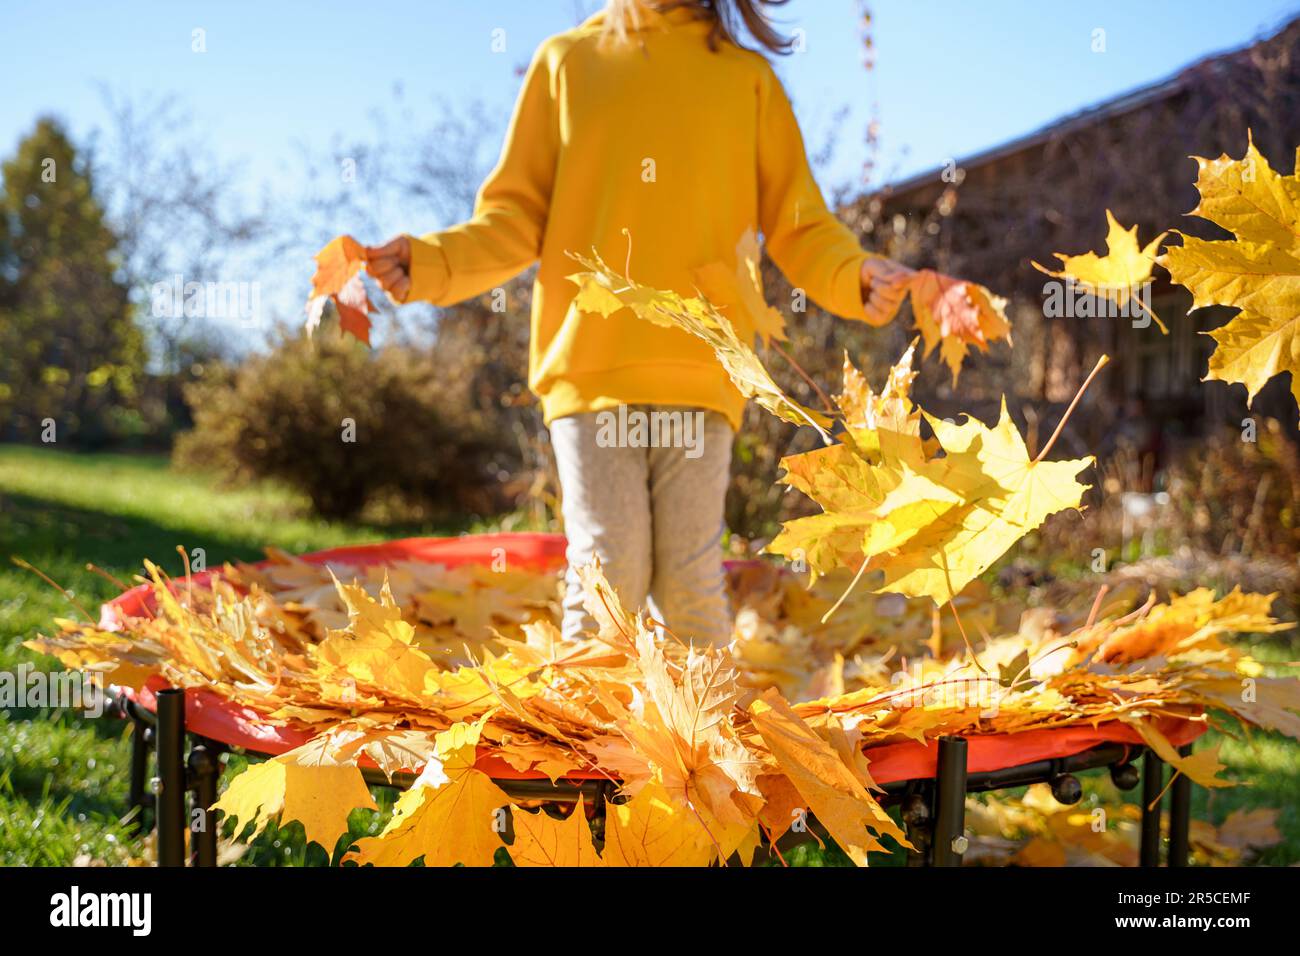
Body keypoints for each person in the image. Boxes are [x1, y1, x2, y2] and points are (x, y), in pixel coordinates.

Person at [366, 0, 913, 645]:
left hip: (704, 375)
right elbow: (514, 218)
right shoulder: (567, 63)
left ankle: (701, 746)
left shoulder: (746, 80)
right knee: (606, 579)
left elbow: (799, 223)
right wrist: (433, 261)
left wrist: (854, 274)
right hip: (592, 369)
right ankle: (585, 747)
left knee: (689, 588)